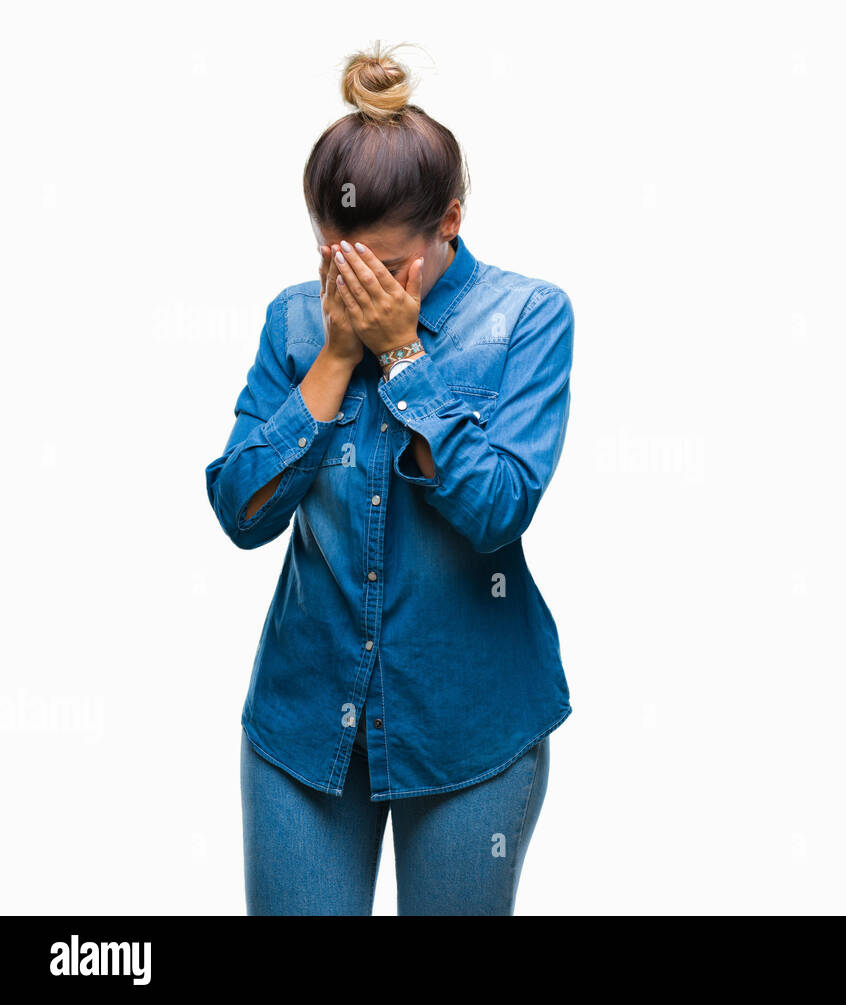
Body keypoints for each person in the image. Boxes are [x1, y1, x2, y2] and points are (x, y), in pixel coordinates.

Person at [204, 42, 574, 915]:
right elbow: (241, 511)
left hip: (470, 728)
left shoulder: (527, 317)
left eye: (380, 262)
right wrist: (334, 360)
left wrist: (404, 358)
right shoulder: (297, 321)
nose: (353, 284)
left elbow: (497, 509)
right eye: (337, 258)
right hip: (304, 726)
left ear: (449, 220)